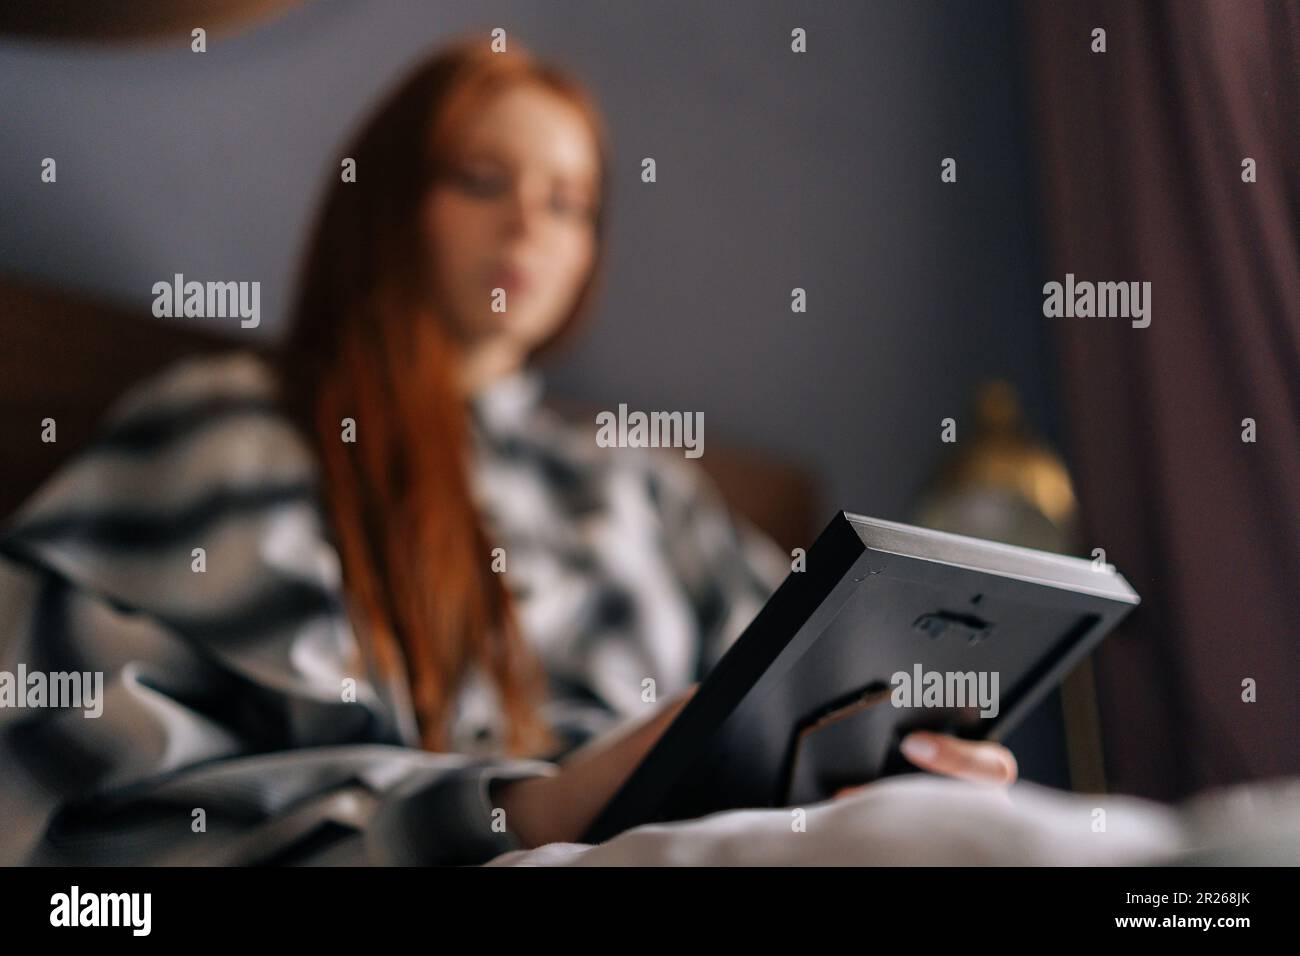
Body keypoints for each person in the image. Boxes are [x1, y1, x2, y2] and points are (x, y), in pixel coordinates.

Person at [0, 36, 1015, 867]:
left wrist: (903, 748)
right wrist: (526, 805)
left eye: (569, 201)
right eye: (484, 179)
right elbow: (82, 774)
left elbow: (810, 679)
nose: (529, 220)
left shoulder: (645, 489)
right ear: (391, 201)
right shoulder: (236, 429)